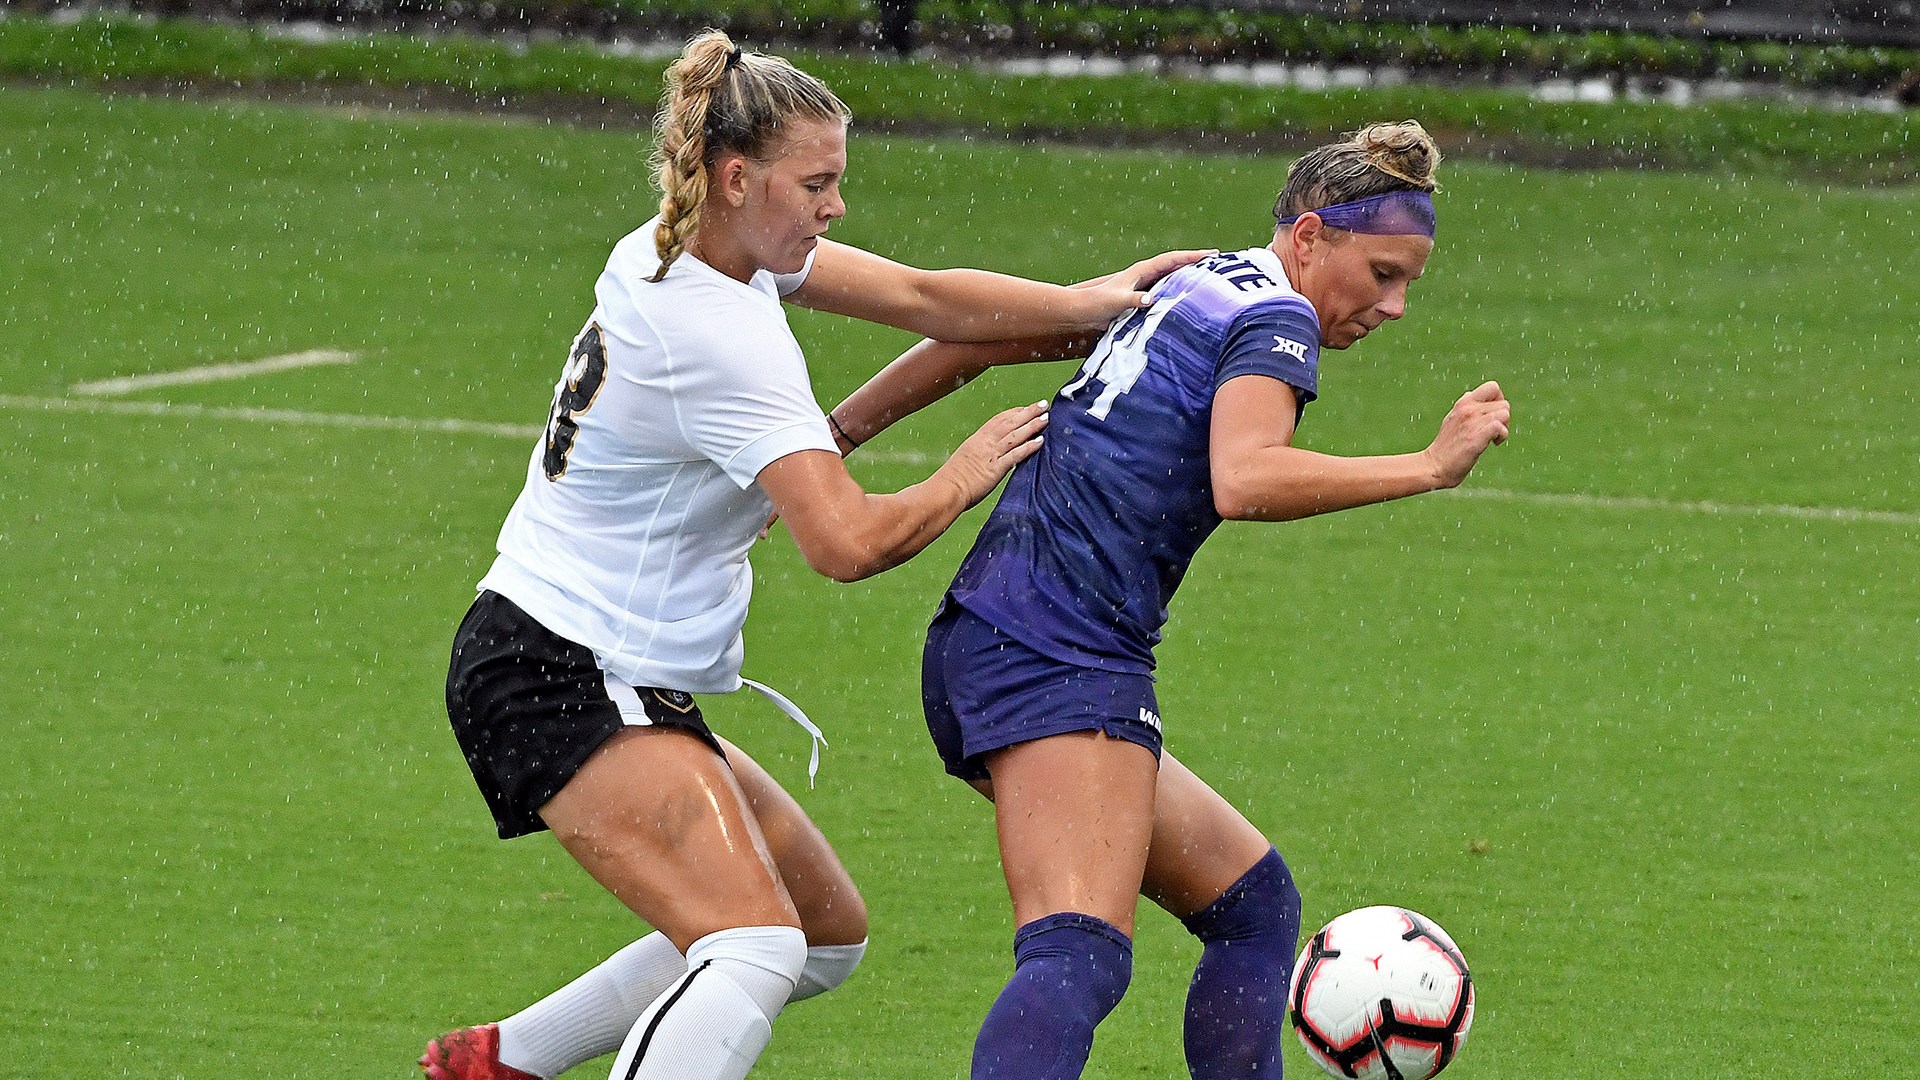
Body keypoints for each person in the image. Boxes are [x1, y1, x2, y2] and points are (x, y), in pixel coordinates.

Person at [418, 29, 1202, 1080]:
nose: (836, 207)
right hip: (564, 672)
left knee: (821, 931)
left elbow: (928, 301)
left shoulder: (681, 247)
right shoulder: (723, 334)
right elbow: (844, 542)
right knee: (753, 944)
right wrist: (961, 474)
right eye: (817, 184)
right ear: (738, 178)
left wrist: (1097, 306)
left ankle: (502, 1061)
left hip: (570, 655)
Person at [825, 120, 1512, 1080]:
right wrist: (1428, 467)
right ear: (1310, 236)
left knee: (1255, 906)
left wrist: (837, 434)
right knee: (1078, 954)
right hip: (1053, 652)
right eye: (1383, 274)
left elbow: (984, 335)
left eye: (1409, 284)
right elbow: (1246, 477)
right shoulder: (1277, 322)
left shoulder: (1201, 279)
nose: (1394, 306)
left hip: (1005, 637)